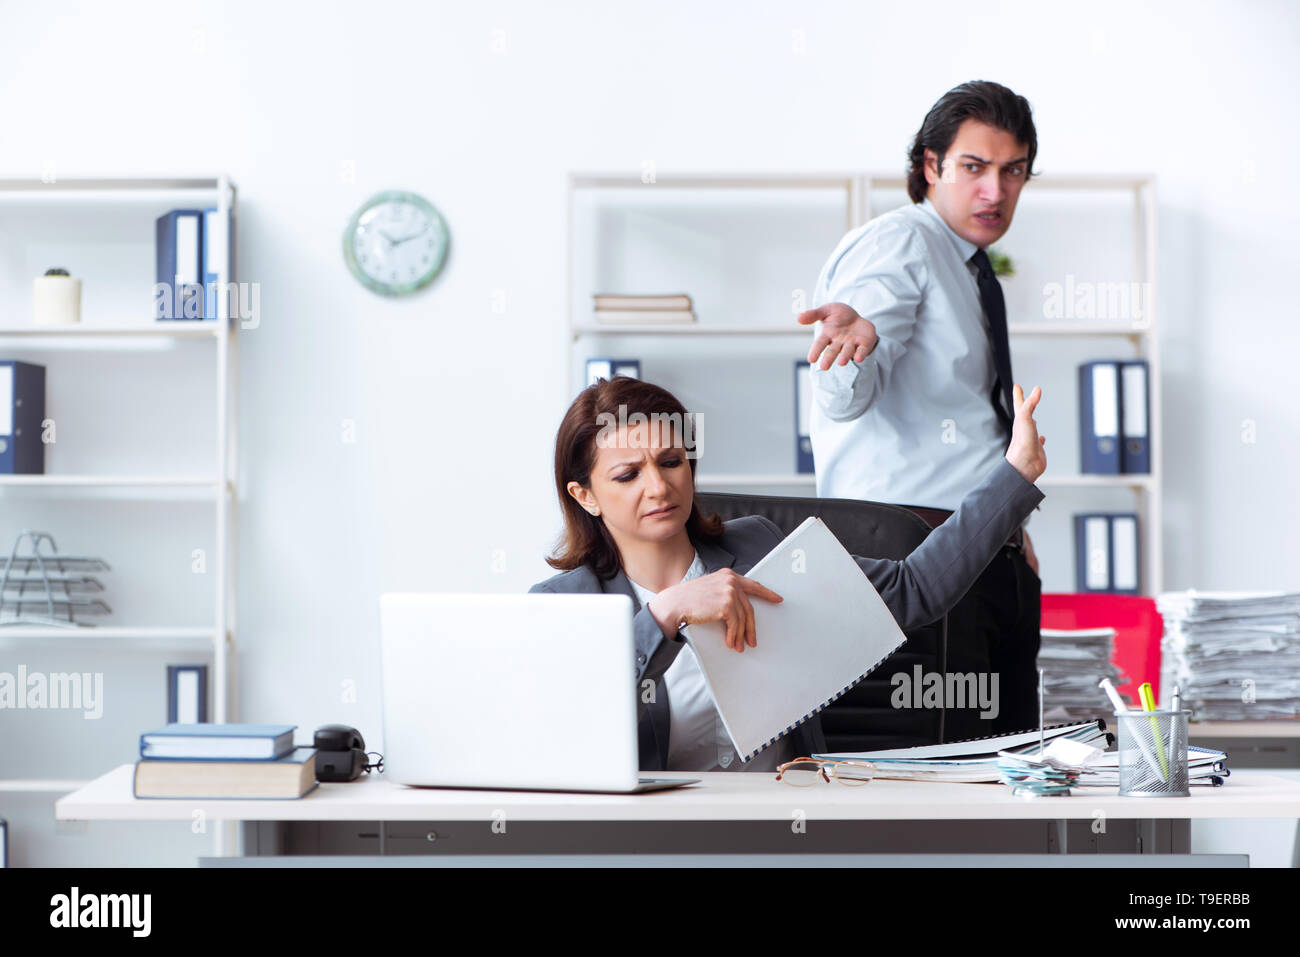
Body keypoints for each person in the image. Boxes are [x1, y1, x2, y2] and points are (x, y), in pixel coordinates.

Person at [528, 376, 1047, 773]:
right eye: (628, 475)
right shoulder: (565, 606)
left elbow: (916, 590)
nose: (659, 487)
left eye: (671, 461)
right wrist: (664, 615)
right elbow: (562, 729)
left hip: (783, 829)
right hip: (651, 846)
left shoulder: (756, 549)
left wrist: (1015, 473)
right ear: (586, 495)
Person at [796, 79, 1042, 736]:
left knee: (1001, 782)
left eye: (1013, 171)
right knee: (949, 794)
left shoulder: (965, 265)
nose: (995, 191)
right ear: (930, 166)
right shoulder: (901, 242)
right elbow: (844, 394)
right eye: (973, 167)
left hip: (977, 551)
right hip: (919, 560)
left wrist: (1010, 529)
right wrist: (852, 348)